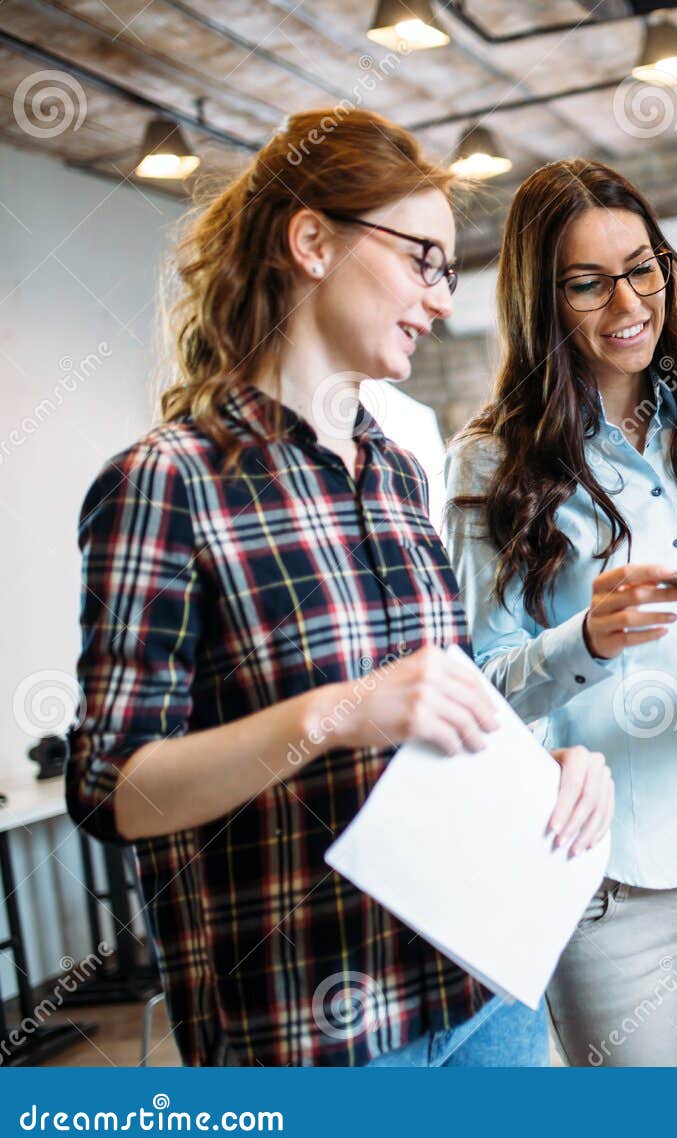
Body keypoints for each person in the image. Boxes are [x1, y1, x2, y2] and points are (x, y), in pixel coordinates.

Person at [65, 110, 611, 1067]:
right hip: (316, 1037)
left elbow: (442, 710)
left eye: (447, 271)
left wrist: (539, 773)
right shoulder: (168, 481)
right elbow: (114, 789)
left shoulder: (395, 470)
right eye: (422, 260)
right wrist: (336, 712)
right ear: (313, 242)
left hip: (483, 988)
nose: (439, 298)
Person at [442, 160, 677, 1067]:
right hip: (607, 888)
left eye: (642, 268)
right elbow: (480, 694)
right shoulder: (491, 464)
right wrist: (583, 640)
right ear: (541, 301)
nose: (628, 301)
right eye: (588, 282)